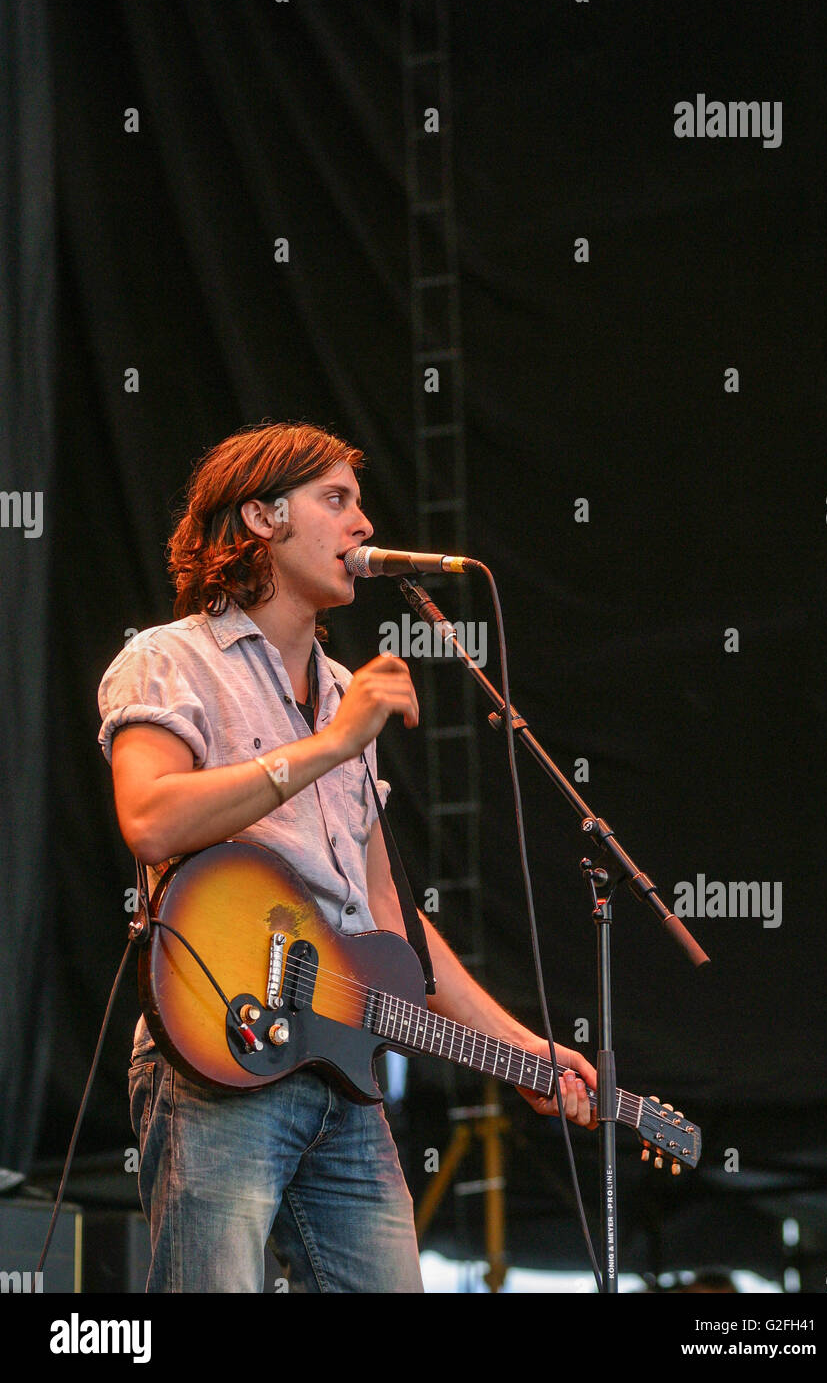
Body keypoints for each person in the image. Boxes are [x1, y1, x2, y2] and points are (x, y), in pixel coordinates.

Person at [98, 420, 597, 1293]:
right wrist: (332, 744)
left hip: (343, 1076)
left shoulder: (339, 693)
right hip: (221, 1048)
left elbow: (387, 922)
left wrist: (522, 1046)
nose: (364, 524)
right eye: (336, 500)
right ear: (261, 517)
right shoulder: (168, 662)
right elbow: (148, 820)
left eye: (359, 503)